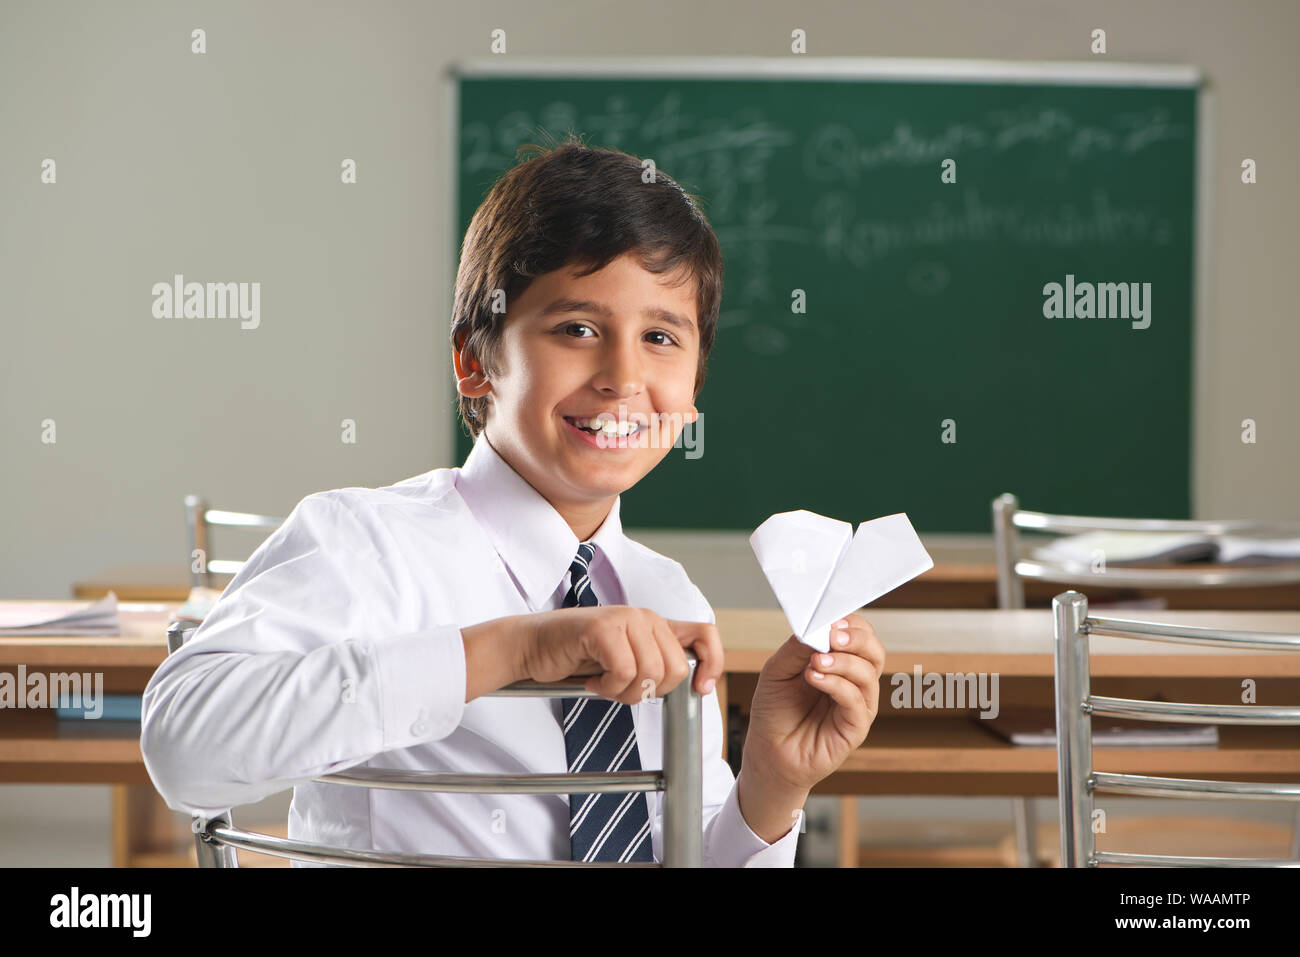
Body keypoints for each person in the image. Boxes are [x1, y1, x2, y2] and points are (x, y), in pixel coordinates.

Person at [141, 136, 885, 867]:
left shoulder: (667, 597)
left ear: (692, 393)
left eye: (661, 336)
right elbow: (182, 745)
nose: (623, 376)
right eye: (578, 328)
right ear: (475, 360)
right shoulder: (371, 545)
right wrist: (517, 649)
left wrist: (770, 787)